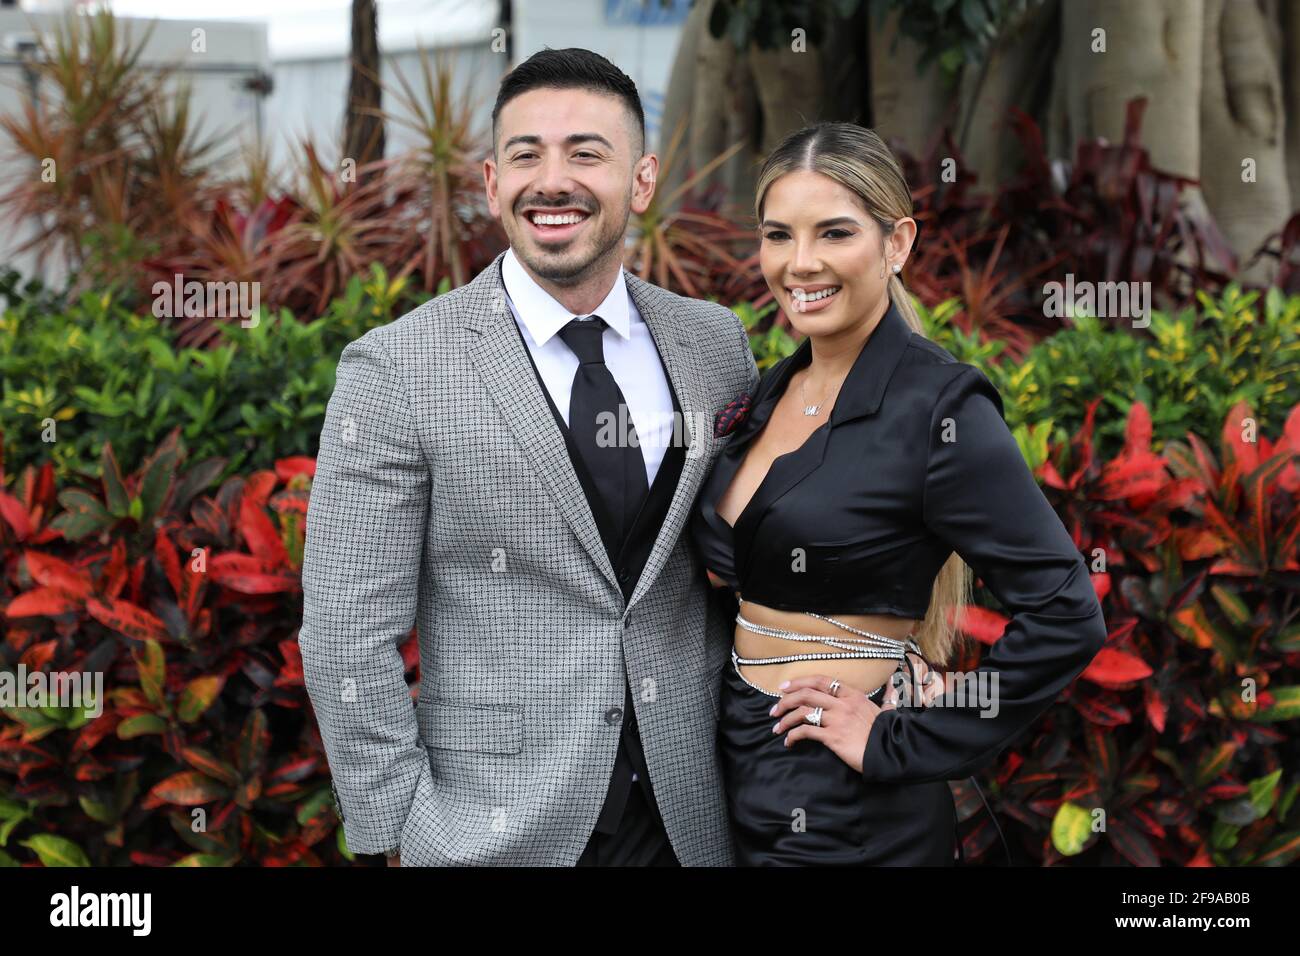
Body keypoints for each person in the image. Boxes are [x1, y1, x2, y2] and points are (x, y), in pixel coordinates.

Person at [299, 48, 756, 866]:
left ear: (643, 181)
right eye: (526, 155)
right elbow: (344, 632)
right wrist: (397, 833)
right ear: (490, 183)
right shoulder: (397, 368)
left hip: (694, 822)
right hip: (492, 833)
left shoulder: (714, 344)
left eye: (586, 152)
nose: (553, 180)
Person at [689, 122, 1108, 865]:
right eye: (779, 235)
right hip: (738, 759)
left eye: (835, 233)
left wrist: (901, 740)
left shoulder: (940, 410)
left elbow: (1065, 612)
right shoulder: (769, 391)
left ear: (898, 243)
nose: (801, 262)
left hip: (851, 804)